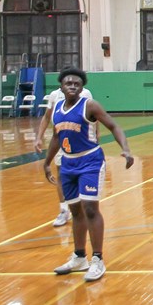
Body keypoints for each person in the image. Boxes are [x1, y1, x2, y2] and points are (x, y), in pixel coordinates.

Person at [42, 67, 134, 282]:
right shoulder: (56, 107)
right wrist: (47, 163)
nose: (73, 86)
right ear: (61, 87)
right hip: (68, 163)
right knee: (75, 211)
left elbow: (114, 126)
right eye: (68, 83)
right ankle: (79, 256)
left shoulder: (89, 105)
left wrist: (126, 149)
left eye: (77, 84)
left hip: (90, 161)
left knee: (91, 209)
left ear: (82, 87)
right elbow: (57, 137)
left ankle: (98, 259)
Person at [35, 83, 94, 227]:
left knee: (82, 175)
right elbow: (47, 117)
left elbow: (93, 117)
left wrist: (95, 136)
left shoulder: (86, 93)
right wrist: (38, 137)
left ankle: (81, 207)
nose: (71, 83)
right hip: (61, 139)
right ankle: (63, 210)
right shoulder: (55, 95)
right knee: (61, 175)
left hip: (81, 141)